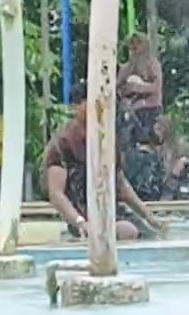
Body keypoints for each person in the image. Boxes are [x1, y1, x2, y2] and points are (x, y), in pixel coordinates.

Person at [44, 83, 167, 240]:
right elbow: (56, 194)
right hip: (83, 217)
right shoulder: (63, 143)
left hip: (112, 212)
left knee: (154, 237)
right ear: (75, 107)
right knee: (127, 230)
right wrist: (81, 223)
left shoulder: (106, 138)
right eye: (91, 103)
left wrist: (149, 217)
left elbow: (120, 184)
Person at [118, 34, 164, 144]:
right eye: (132, 43)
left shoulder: (153, 64)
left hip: (150, 109)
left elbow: (156, 86)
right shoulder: (127, 67)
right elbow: (118, 85)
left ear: (145, 45)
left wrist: (138, 87)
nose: (135, 46)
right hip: (131, 110)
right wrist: (124, 91)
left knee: (147, 142)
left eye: (138, 42)